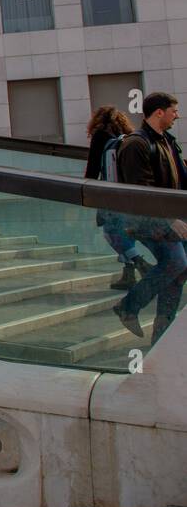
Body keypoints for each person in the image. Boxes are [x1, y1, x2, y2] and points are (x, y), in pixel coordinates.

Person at [111, 92, 187, 343]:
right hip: (146, 222)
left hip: (169, 218)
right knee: (176, 261)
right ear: (159, 112)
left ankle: (163, 334)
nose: (177, 115)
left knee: (179, 270)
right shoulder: (136, 144)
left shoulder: (168, 141)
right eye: (173, 111)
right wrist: (169, 220)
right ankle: (128, 306)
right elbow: (141, 192)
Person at [86, 106, 151, 290]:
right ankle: (129, 273)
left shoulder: (100, 135)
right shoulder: (128, 135)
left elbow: (92, 168)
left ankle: (139, 263)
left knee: (110, 232)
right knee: (122, 231)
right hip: (129, 194)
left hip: (109, 194)